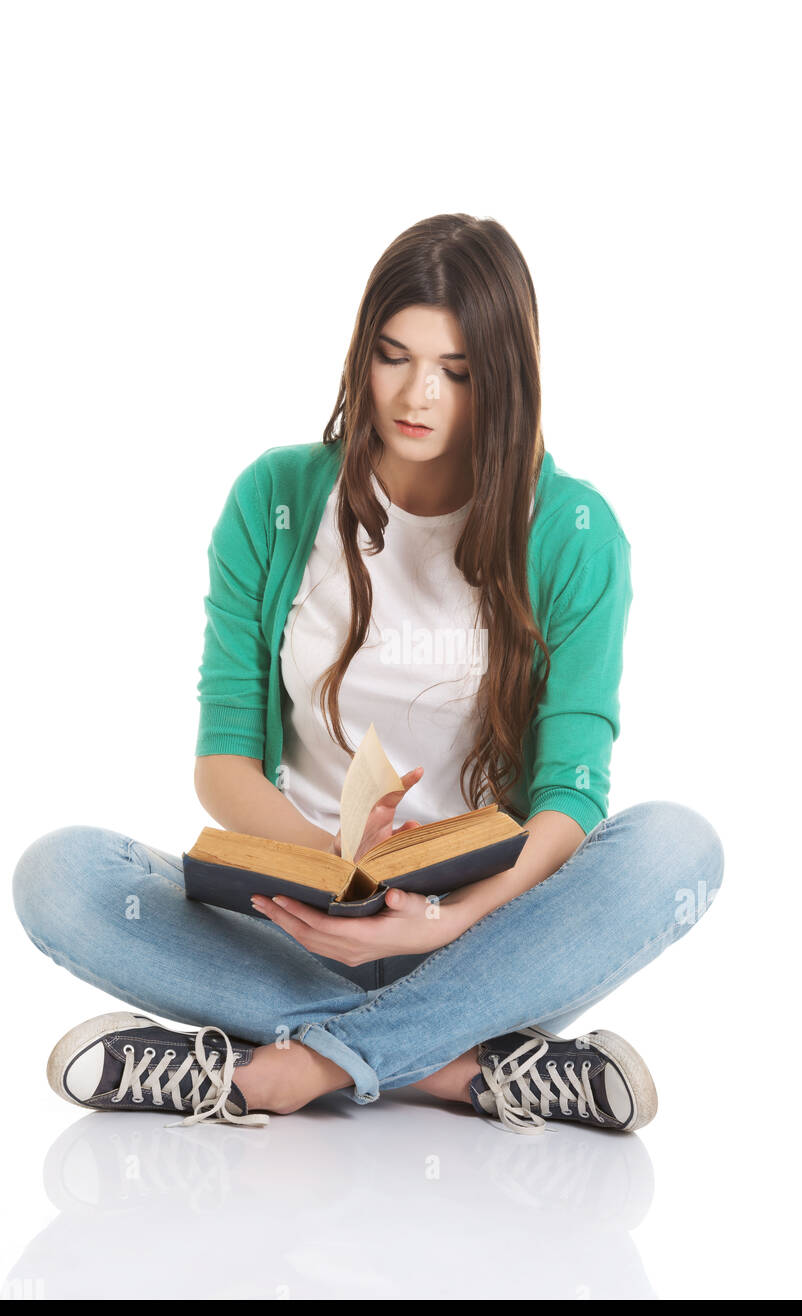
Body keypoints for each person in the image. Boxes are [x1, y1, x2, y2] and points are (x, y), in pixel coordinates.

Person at [12, 213, 724, 1137]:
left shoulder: (573, 531)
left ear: (502, 380)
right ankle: (458, 1070)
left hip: (484, 940)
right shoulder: (274, 497)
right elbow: (224, 756)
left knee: (680, 846)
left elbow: (572, 788)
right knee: (57, 875)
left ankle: (276, 1067)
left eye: (456, 372)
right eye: (394, 355)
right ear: (363, 352)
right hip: (293, 924)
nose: (416, 393)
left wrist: (437, 921)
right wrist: (327, 863)